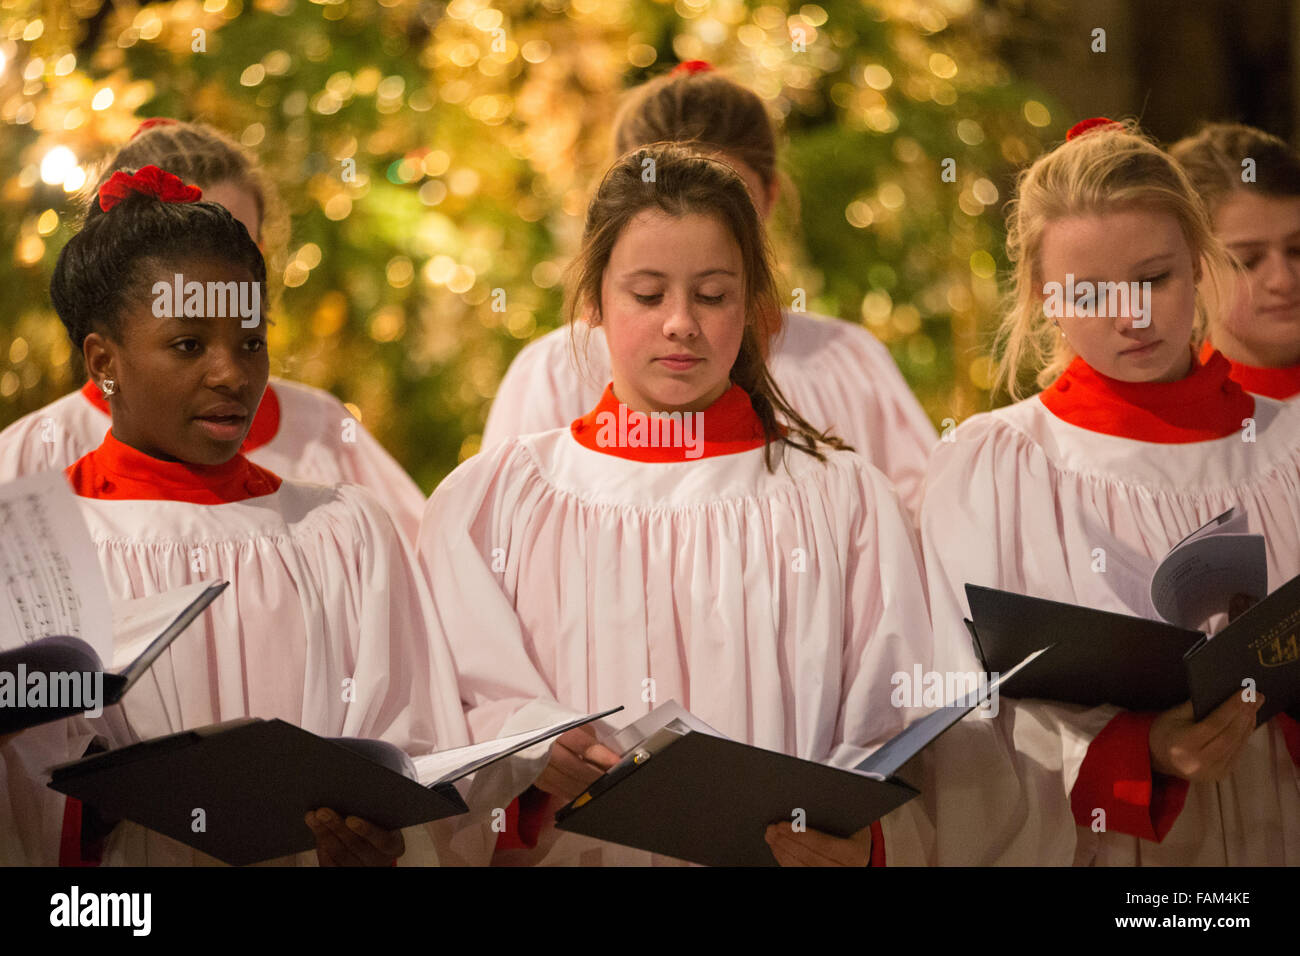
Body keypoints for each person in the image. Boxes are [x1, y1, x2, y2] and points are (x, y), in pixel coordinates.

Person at [418, 143, 934, 866]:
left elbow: (904, 732)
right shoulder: (496, 502)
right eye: (648, 293)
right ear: (595, 299)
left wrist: (864, 844)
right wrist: (532, 757)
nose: (681, 323)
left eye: (713, 295)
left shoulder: (843, 501)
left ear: (754, 304)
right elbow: (441, 726)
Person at [0, 165, 472, 866]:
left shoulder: (343, 534)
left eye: (251, 341)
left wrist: (381, 839)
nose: (232, 373)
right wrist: (83, 814)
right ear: (105, 360)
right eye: (189, 345)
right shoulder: (34, 548)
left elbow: (416, 746)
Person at [920, 118, 1300, 865]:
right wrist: (1140, 748)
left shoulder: (1290, 445)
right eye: (1089, 292)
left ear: (1198, 263)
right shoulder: (998, 467)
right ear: (1042, 292)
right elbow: (954, 711)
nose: (1131, 316)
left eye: (1154, 279)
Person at [482, 61, 936, 517]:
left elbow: (912, 533)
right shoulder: (554, 375)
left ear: (770, 196)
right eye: (647, 293)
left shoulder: (846, 364)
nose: (696, 217)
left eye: (729, 195)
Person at [0, 119, 426, 544]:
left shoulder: (323, 432)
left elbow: (408, 567)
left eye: (243, 244)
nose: (219, 269)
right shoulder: (37, 454)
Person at [1170, 123, 1300, 400]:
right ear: (1189, 268)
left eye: (1297, 250)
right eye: (1247, 261)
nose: (1284, 280)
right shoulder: (1178, 410)